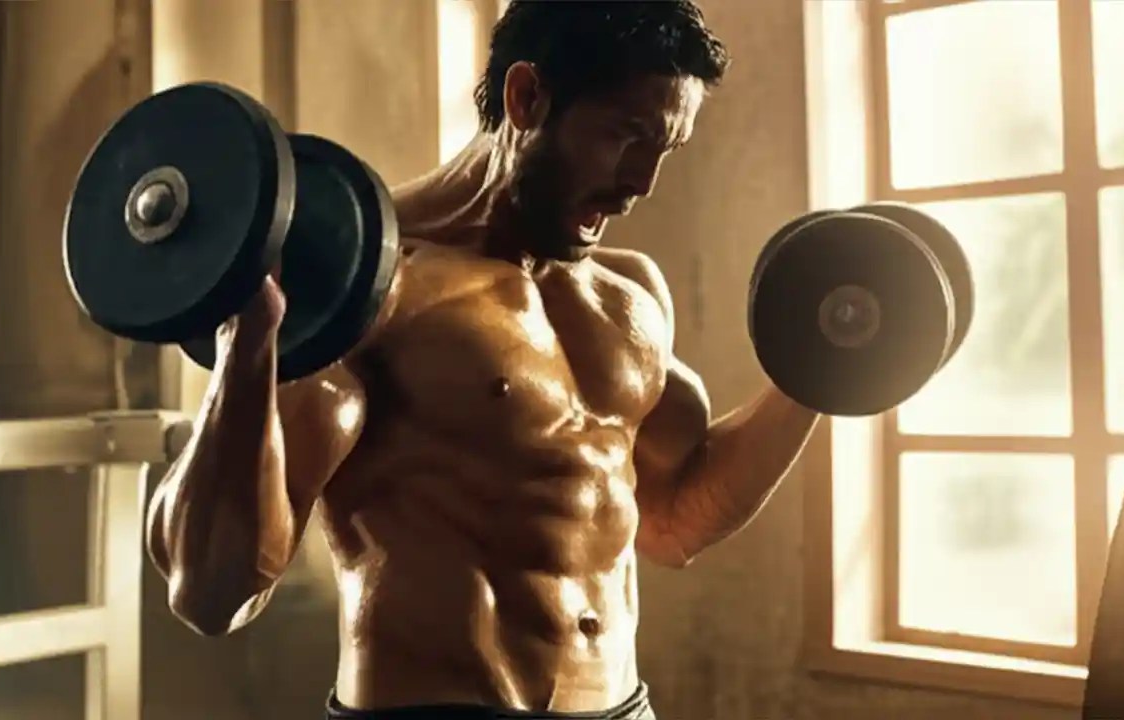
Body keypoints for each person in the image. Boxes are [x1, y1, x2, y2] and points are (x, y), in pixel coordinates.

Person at [145, 2, 818, 718]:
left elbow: (676, 519)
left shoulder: (630, 297)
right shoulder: (367, 290)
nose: (643, 181)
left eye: (665, 148)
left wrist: (824, 373)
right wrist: (248, 346)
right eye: (628, 136)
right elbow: (214, 592)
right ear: (526, 98)